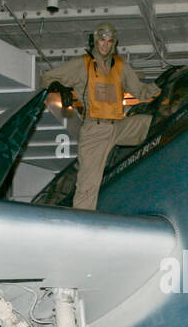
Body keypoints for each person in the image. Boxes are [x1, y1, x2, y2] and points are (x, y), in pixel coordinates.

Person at [39, 23, 160, 210]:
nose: (106, 44)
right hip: (94, 129)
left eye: (110, 41)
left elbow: (142, 92)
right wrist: (59, 87)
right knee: (87, 185)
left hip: (118, 125)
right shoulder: (82, 64)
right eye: (102, 40)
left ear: (114, 43)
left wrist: (161, 84)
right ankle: (83, 225)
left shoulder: (121, 66)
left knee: (157, 123)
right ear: (95, 41)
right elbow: (45, 78)